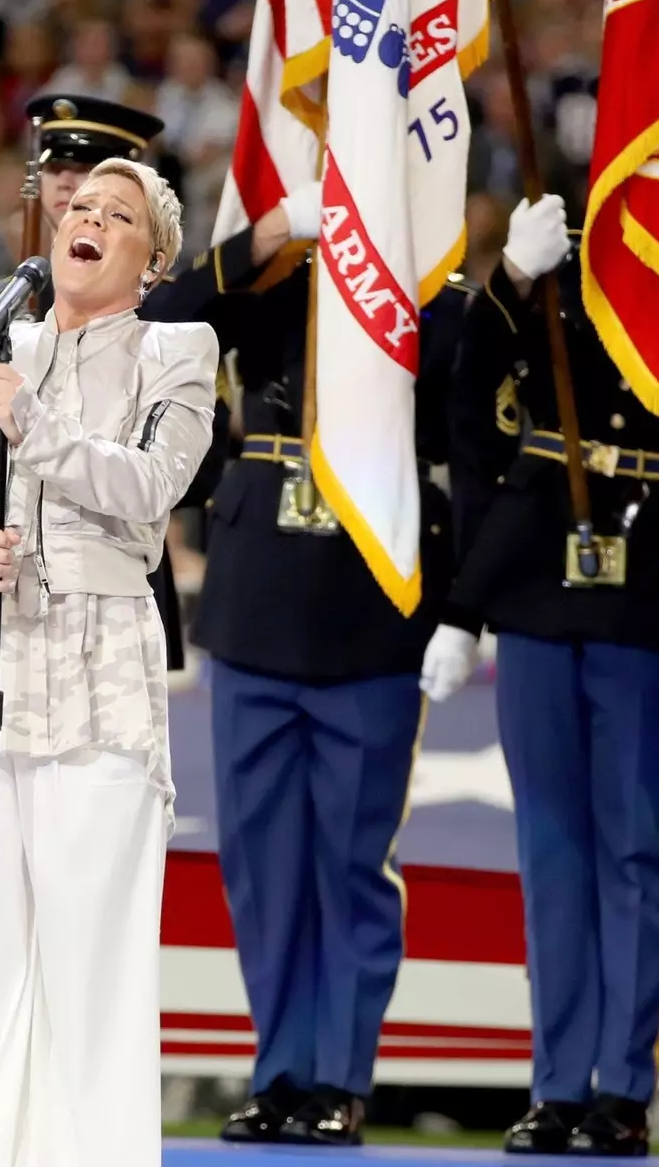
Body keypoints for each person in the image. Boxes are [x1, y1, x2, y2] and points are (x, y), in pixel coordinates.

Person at [0, 157, 214, 1166]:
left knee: (91, 959)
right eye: (77, 205)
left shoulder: (175, 348)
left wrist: (33, 427)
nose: (86, 219)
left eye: (116, 215)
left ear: (152, 258)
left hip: (100, 660)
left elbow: (150, 485)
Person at [195, 247, 475, 1142]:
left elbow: (465, 421)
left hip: (371, 602)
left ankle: (340, 1079)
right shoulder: (265, 271)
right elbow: (165, 311)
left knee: (351, 867)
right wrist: (266, 234)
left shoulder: (436, 288)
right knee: (263, 868)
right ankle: (280, 1070)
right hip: (256, 601)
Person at [429, 194, 659, 1156]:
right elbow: (472, 404)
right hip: (537, 584)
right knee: (553, 856)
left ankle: (622, 1087)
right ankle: (559, 1084)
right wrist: (514, 282)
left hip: (651, 585)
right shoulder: (561, 289)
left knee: (634, 853)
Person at [0, 91, 320, 669]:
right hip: (10, 565)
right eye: (55, 167)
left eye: (87, 173)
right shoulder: (14, 294)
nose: (67, 185)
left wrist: (266, 236)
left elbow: (178, 317)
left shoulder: (162, 299)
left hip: (108, 558)